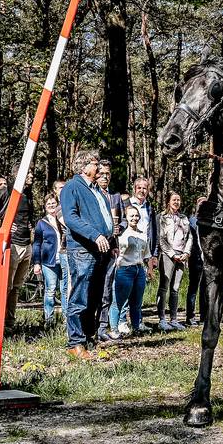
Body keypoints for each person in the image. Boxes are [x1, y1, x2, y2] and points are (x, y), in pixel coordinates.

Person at [60, 150, 115, 360]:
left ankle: (88, 338)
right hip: (83, 249)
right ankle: (75, 343)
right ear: (84, 167)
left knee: (95, 297)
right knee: (80, 296)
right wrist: (95, 235)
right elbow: (71, 218)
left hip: (102, 250)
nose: (98, 166)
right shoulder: (72, 187)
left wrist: (110, 240)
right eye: (94, 163)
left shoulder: (97, 190)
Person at [0, 173, 35, 334]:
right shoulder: (6, 191)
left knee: (16, 287)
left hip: (26, 245)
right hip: (11, 245)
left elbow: (28, 217)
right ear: (19, 174)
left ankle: (9, 323)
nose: (31, 174)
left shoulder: (27, 193)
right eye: (28, 171)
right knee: (6, 286)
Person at [118, 176, 157, 332]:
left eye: (145, 188)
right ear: (134, 188)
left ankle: (137, 322)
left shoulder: (149, 208)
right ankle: (121, 322)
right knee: (124, 291)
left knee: (138, 292)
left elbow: (153, 231)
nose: (142, 190)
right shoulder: (125, 204)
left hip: (142, 252)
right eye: (139, 187)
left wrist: (153, 254)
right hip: (126, 252)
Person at [110, 206, 150, 337]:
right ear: (126, 218)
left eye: (136, 215)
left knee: (137, 302)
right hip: (125, 270)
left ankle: (136, 328)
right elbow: (116, 252)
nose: (134, 218)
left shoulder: (142, 233)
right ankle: (114, 330)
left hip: (139, 270)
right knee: (119, 302)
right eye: (131, 216)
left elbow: (146, 254)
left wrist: (149, 268)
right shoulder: (122, 234)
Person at [156, 191, 193, 332]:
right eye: (174, 200)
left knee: (175, 288)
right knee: (164, 287)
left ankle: (174, 319)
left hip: (182, 256)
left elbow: (189, 237)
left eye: (178, 200)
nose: (176, 202)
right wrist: (172, 254)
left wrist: (187, 252)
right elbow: (161, 238)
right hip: (168, 255)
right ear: (168, 201)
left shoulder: (184, 218)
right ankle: (162, 319)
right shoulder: (162, 217)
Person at [95, 161, 123, 342]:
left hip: (110, 249)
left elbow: (124, 219)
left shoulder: (115, 197)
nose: (105, 177)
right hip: (93, 248)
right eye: (102, 173)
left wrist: (120, 227)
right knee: (92, 290)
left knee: (107, 290)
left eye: (108, 174)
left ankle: (102, 328)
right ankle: (88, 328)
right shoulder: (90, 193)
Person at [32, 195, 69, 329]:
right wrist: (36, 262)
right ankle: (49, 320)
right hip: (49, 261)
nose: (52, 206)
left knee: (65, 290)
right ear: (45, 207)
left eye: (54, 203)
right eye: (49, 204)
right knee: (50, 290)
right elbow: (37, 244)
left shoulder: (64, 220)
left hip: (65, 259)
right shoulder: (42, 223)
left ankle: (66, 318)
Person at [184, 195, 208, 328]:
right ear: (196, 205)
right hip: (195, 258)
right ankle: (190, 316)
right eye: (200, 203)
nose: (202, 205)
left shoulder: (209, 221)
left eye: (205, 203)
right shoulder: (192, 220)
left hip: (207, 259)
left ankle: (204, 316)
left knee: (205, 288)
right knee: (193, 288)